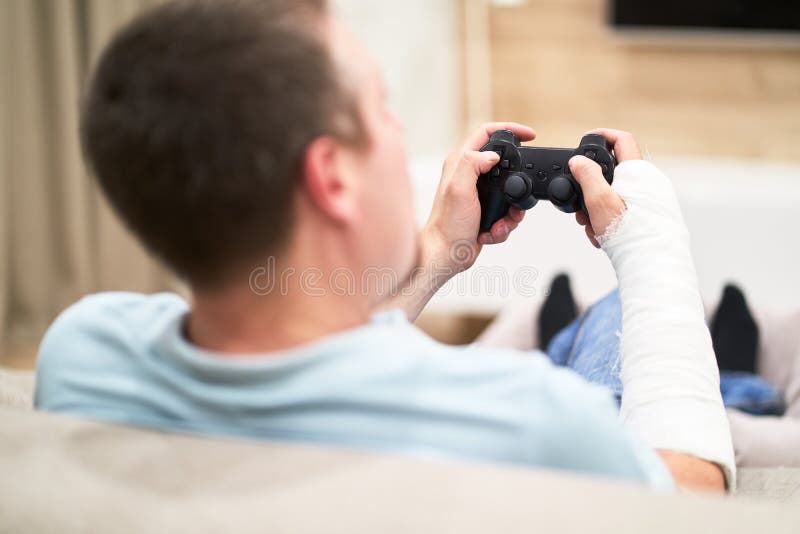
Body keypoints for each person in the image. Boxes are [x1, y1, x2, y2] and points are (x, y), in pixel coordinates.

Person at [34, 0, 734, 493]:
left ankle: (562, 326)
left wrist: (438, 253)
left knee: (565, 329)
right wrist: (651, 242)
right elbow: (691, 487)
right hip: (584, 407)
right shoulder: (525, 419)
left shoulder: (84, 353)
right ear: (331, 178)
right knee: (612, 321)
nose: (398, 133)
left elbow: (314, 368)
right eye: (382, 108)